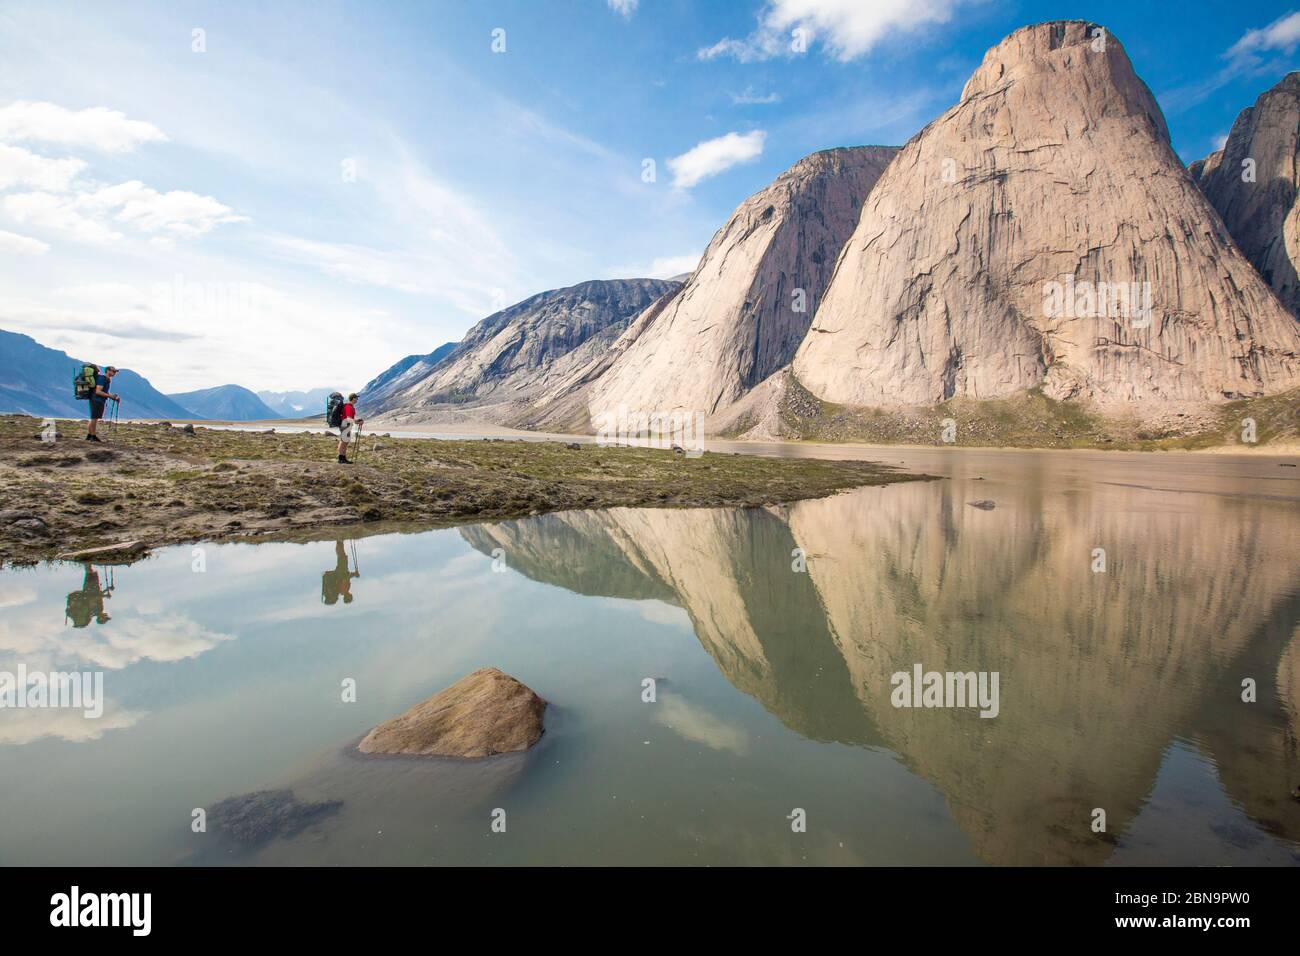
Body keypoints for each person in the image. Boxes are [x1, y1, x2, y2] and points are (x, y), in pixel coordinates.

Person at [321, 539, 359, 605]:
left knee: (341, 555)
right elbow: (346, 578)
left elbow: (344, 579)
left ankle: (339, 540)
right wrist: (353, 574)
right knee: (342, 555)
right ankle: (340, 540)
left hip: (341, 570)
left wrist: (354, 575)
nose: (351, 596)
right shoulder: (343, 591)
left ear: (348, 596)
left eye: (350, 597)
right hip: (342, 570)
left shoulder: (344, 590)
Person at [87, 366, 119, 442]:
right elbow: (98, 391)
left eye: (115, 372)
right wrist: (110, 396)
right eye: (113, 371)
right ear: (108, 371)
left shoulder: (107, 379)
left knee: (93, 418)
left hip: (98, 400)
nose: (115, 373)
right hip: (97, 400)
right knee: (94, 418)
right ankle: (93, 436)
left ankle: (89, 435)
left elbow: (102, 391)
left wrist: (111, 396)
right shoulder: (102, 378)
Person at [336, 392, 363, 464]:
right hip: (345, 424)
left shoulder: (349, 406)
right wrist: (357, 422)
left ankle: (343, 458)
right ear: (353, 398)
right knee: (344, 442)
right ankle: (341, 458)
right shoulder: (348, 407)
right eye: (356, 398)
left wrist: (356, 421)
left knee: (345, 441)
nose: (357, 399)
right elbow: (348, 419)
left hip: (346, 425)